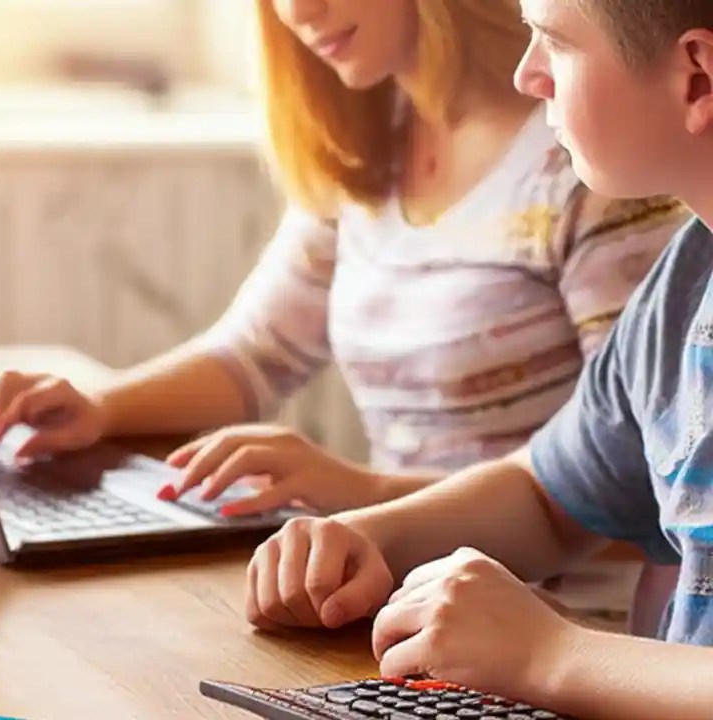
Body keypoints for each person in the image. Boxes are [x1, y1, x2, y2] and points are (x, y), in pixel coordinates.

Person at [0, 0, 683, 518]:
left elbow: (634, 489)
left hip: (552, 613)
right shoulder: (370, 143)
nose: (299, 12)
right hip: (401, 579)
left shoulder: (597, 164)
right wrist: (100, 407)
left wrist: (362, 493)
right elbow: (257, 353)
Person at [244, 1, 713, 716]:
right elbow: (551, 497)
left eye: (555, 43)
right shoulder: (688, 278)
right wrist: (371, 537)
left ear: (697, 80)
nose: (528, 75)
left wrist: (551, 654)